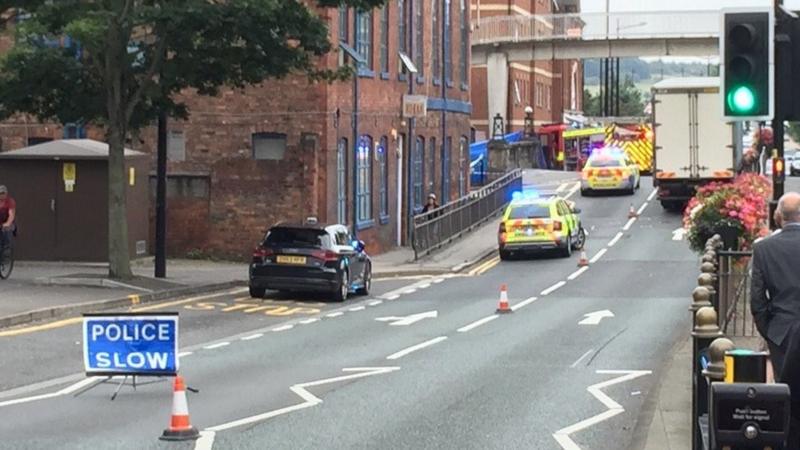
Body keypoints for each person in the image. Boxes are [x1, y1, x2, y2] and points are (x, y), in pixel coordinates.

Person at [750, 192, 800, 378]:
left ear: (778, 216)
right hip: (781, 330)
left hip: (781, 332)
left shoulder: (763, 248)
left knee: (785, 390)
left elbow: (757, 298)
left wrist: (769, 331)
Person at [0, 185, 15, 250]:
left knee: (7, 231)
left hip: (6, 222)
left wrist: (7, 224)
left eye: (3, 193)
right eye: (1, 193)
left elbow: (11, 214)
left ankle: (7, 249)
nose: (2, 195)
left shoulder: (10, 201)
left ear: (6, 193)